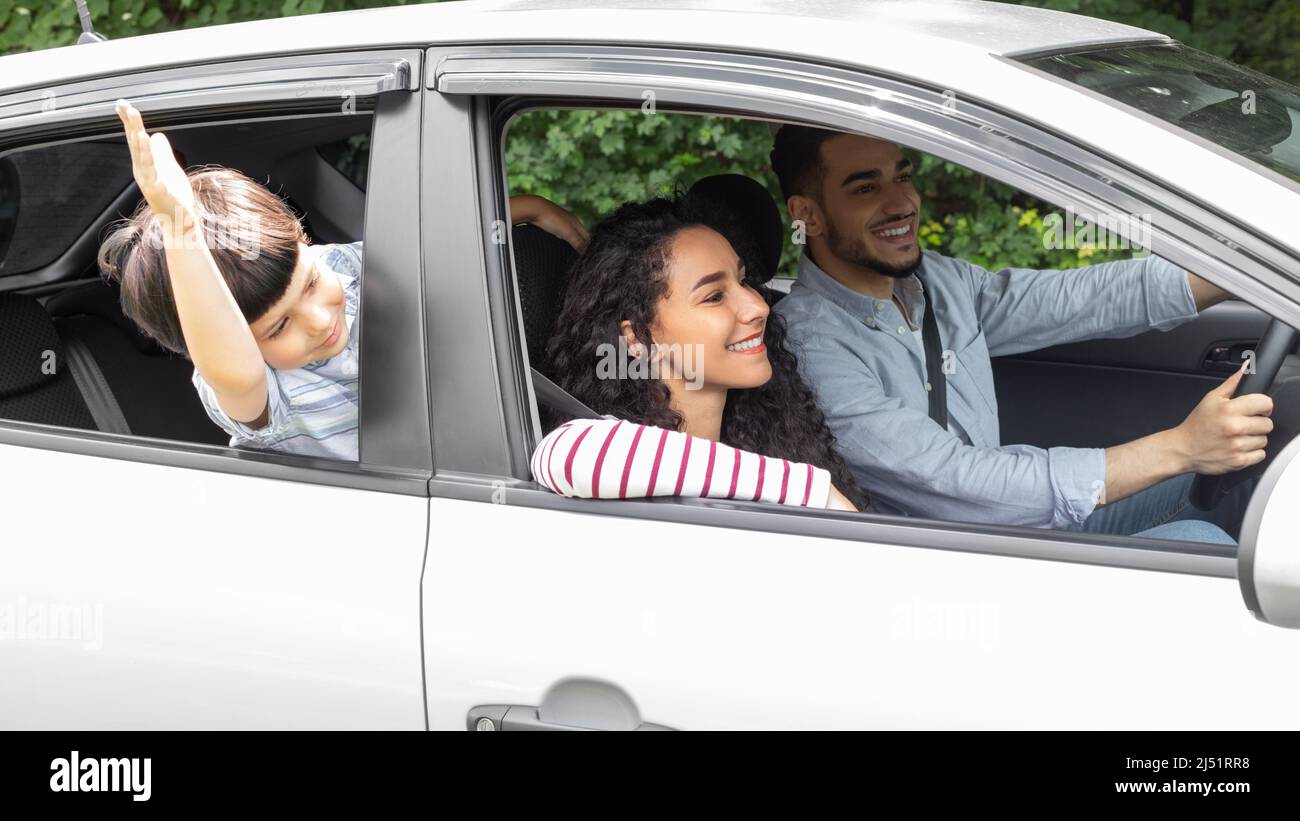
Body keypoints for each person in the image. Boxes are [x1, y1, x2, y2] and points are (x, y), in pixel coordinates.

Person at [769, 125, 1264, 543]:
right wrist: (1179, 446)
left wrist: (1248, 266)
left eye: (902, 177)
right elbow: (955, 482)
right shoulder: (809, 347)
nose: (902, 203)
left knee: (1236, 478)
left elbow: (1077, 300)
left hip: (1013, 529)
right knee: (1204, 543)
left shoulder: (938, 284)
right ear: (806, 214)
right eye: (866, 188)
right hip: (948, 565)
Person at [99, 100, 586, 459]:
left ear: (304, 242)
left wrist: (527, 209)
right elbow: (233, 368)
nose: (316, 319)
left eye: (309, 284)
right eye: (277, 328)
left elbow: (431, 247)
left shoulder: (341, 266)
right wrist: (179, 226)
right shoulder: (266, 395)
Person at [533, 193, 867, 511]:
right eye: (714, 297)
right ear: (637, 337)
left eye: (744, 281)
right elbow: (569, 451)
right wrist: (814, 491)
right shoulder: (609, 464)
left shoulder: (762, 441)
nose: (758, 306)